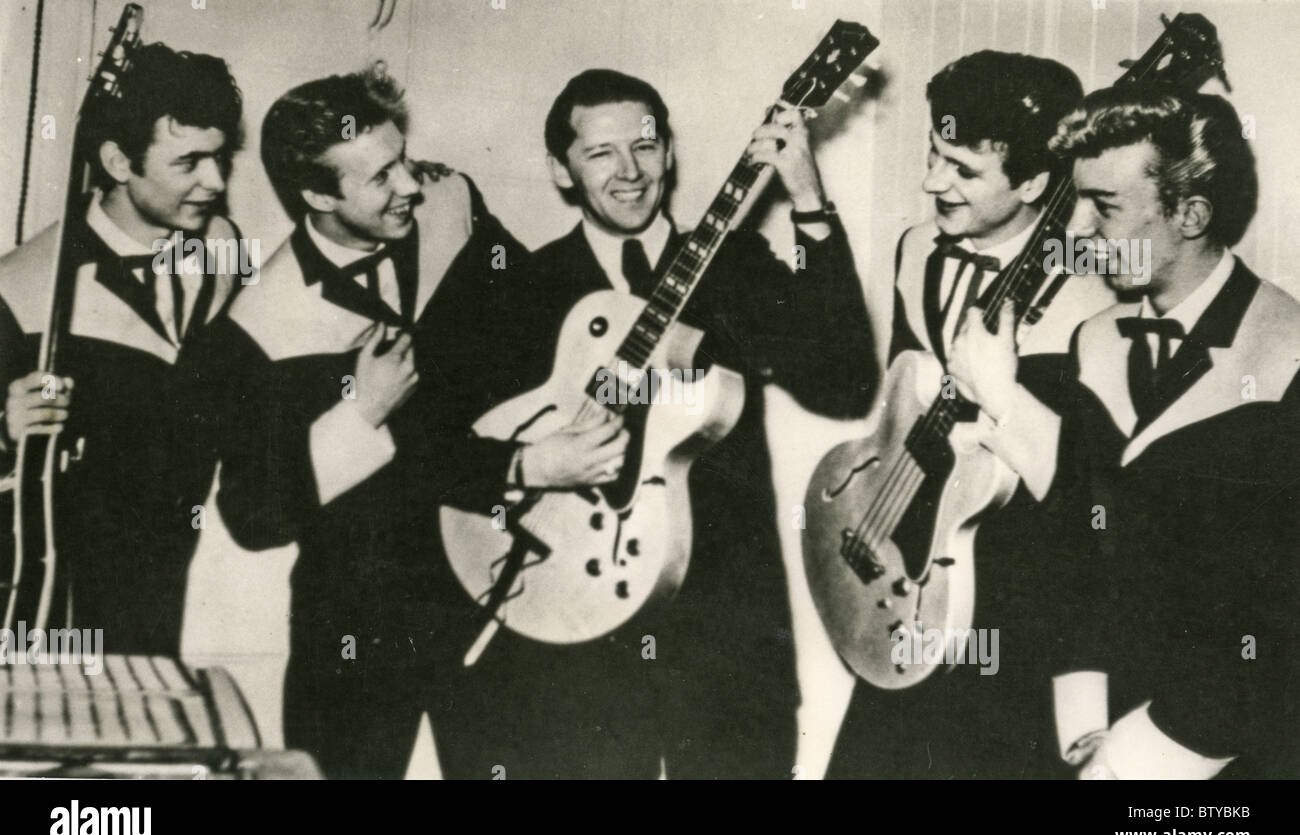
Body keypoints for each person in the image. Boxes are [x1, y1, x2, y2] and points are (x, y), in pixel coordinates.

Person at [457, 68, 877, 779]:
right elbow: (433, 446)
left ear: (670, 153)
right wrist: (530, 464)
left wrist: (808, 197)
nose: (630, 172)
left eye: (646, 146)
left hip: (725, 628)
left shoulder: (736, 266)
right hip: (570, 620)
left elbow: (845, 382)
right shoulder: (518, 291)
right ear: (560, 170)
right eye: (600, 153)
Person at [203, 64, 618, 779]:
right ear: (315, 195)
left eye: (403, 159)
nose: (409, 186)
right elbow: (254, 514)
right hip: (357, 628)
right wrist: (362, 414)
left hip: (497, 590)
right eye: (380, 178)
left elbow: (531, 317)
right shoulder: (257, 329)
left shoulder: (449, 203)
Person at [951, 86, 1300, 779]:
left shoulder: (1287, 356)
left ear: (1190, 214)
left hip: (1230, 747)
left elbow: (1267, 619)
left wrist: (1154, 751)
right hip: (1101, 733)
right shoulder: (1096, 341)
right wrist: (1085, 728)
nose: (1076, 231)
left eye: (1103, 206)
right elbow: (1081, 547)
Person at [826, 51, 1113, 779]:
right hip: (908, 587)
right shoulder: (916, 249)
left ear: (1035, 183)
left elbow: (1090, 502)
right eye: (933, 154)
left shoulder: (1097, 299)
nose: (931, 182)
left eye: (961, 169)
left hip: (1014, 616)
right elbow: (898, 418)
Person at [0, 43, 244, 655]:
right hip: (76, 607)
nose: (213, 182)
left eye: (219, 159)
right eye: (188, 162)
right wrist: (5, 429)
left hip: (192, 588)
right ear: (116, 161)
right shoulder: (22, 291)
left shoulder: (221, 242)